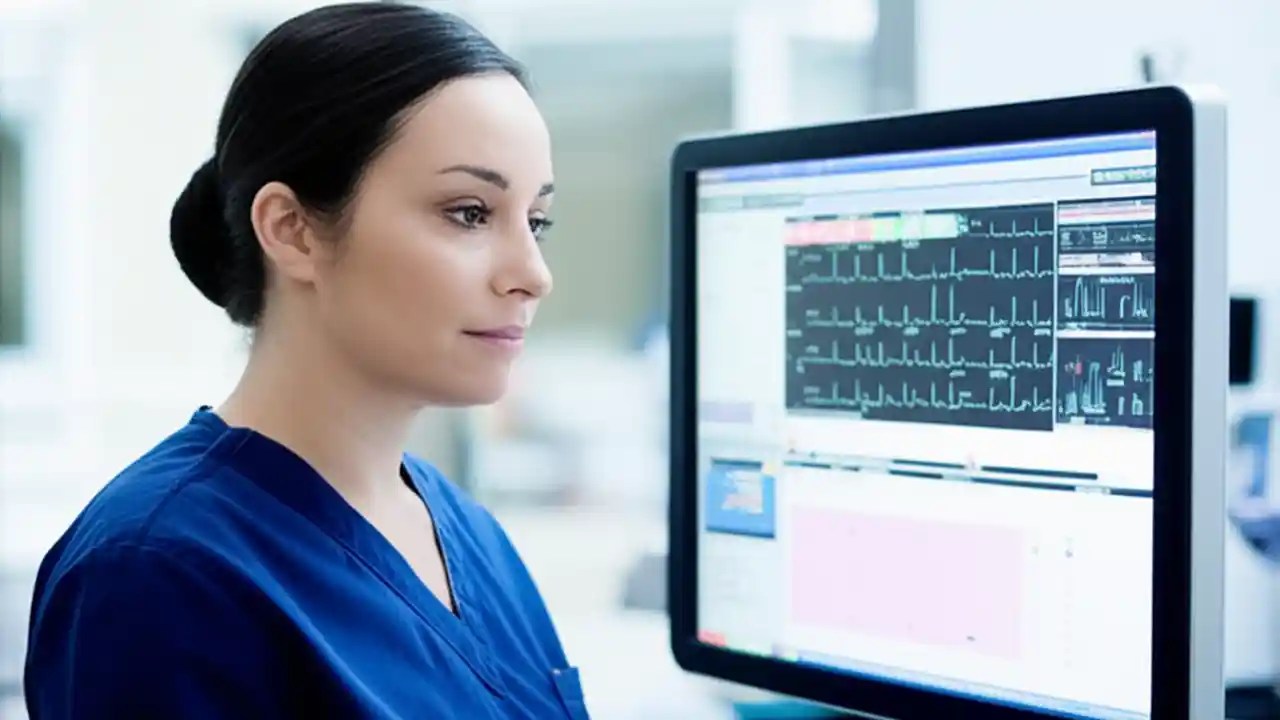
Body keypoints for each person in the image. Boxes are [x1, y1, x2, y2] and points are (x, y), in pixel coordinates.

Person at [23, 4, 587, 718]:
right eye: (469, 212)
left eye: (536, 221)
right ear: (291, 230)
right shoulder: (155, 576)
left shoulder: (470, 535)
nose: (533, 274)